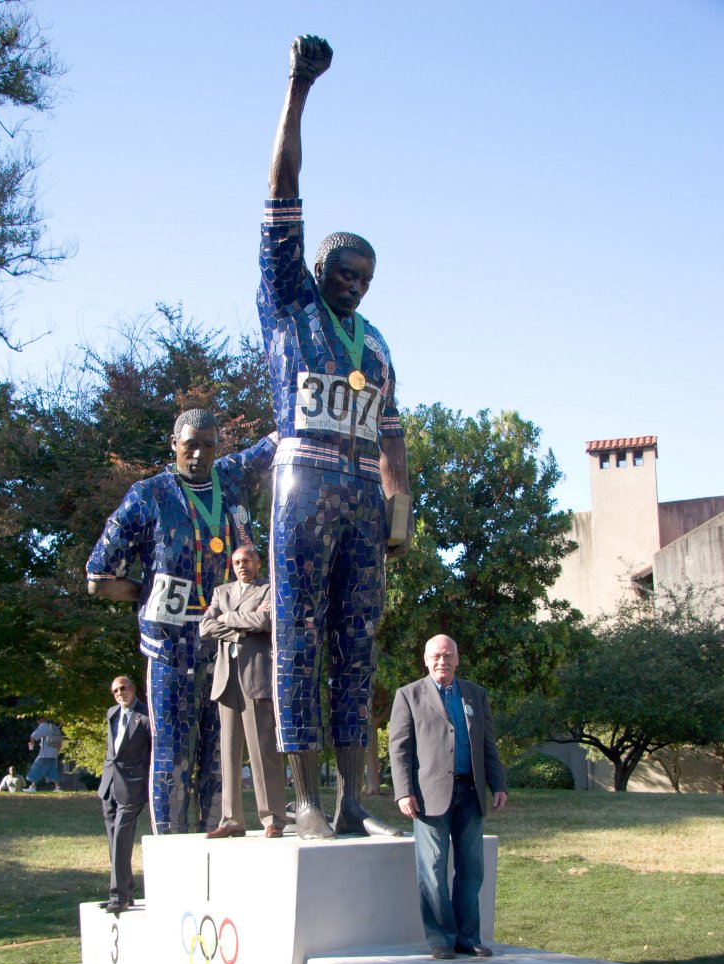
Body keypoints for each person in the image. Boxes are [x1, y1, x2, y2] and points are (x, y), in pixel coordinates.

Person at [258, 35, 412, 840]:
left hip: (359, 494)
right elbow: (283, 184)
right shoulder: (290, 303)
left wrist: (402, 504)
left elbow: (393, 434)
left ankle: (355, 798)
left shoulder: (379, 343)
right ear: (318, 269)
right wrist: (298, 88)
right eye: (344, 274)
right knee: (300, 634)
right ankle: (305, 800)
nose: (353, 286)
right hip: (303, 484)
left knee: (359, 641)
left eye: (364, 279)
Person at [87, 408, 278, 835]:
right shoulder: (147, 495)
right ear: (173, 443)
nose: (199, 454)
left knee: (220, 753)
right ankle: (172, 852)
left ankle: (219, 844)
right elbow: (98, 577)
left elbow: (279, 438)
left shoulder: (231, 479)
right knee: (171, 753)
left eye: (208, 445)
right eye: (189, 444)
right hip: (171, 647)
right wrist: (150, 592)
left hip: (229, 642)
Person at [389, 636, 508, 960]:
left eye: (449, 655)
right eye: (437, 656)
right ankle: (441, 938)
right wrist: (404, 791)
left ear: (458, 659)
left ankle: (468, 938)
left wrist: (499, 784)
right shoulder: (409, 695)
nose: (443, 661)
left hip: (470, 793)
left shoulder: (475, 695)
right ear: (426, 660)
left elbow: (488, 745)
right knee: (433, 868)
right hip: (429, 796)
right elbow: (399, 748)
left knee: (472, 870)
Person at [200, 545, 287, 839]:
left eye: (247, 560)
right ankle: (231, 819)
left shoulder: (269, 589)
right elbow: (204, 627)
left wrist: (227, 618)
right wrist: (240, 626)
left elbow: (266, 621)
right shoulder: (220, 592)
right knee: (228, 752)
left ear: (258, 563)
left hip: (257, 677)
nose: (241, 565)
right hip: (226, 680)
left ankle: (273, 818)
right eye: (236, 561)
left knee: (263, 751)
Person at [98, 676, 152, 915]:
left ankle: (117, 896)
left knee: (121, 836)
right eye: (115, 691)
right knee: (113, 840)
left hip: (133, 786)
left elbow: (153, 752)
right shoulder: (112, 713)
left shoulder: (146, 716)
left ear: (133, 689)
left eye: (123, 688)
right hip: (109, 784)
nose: (120, 693)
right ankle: (127, 891)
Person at [24, 720, 63, 792]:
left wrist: (31, 745)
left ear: (39, 720)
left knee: (37, 768)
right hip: (54, 753)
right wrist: (57, 752)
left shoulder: (43, 726)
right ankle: (58, 787)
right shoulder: (54, 727)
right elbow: (59, 741)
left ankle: (33, 787)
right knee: (52, 770)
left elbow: (33, 736)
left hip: (45, 753)